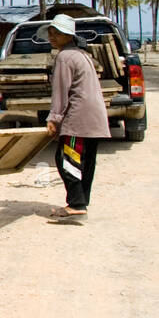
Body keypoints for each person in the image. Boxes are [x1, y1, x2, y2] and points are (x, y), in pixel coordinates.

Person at [40, 14, 109, 224]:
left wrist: (54, 118)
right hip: (94, 115)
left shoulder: (65, 57)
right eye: (51, 33)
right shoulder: (81, 54)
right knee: (85, 162)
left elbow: (61, 91)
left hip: (78, 117)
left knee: (66, 160)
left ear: (68, 35)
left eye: (57, 33)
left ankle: (77, 204)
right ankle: (79, 203)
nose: (52, 37)